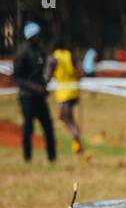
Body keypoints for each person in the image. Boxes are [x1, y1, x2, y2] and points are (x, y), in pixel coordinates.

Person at [12, 22, 57, 163]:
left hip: (40, 97)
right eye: (36, 35)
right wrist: (33, 87)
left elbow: (41, 73)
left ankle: (52, 157)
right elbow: (17, 77)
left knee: (48, 127)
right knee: (28, 127)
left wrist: (45, 82)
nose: (38, 38)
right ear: (30, 36)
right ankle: (27, 157)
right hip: (27, 97)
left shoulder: (40, 50)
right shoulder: (22, 53)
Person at [49, 37, 84, 157]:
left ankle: (77, 138)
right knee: (70, 119)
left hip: (63, 94)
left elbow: (48, 76)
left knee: (64, 118)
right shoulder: (70, 55)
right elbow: (80, 72)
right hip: (73, 91)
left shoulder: (54, 58)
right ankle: (77, 148)